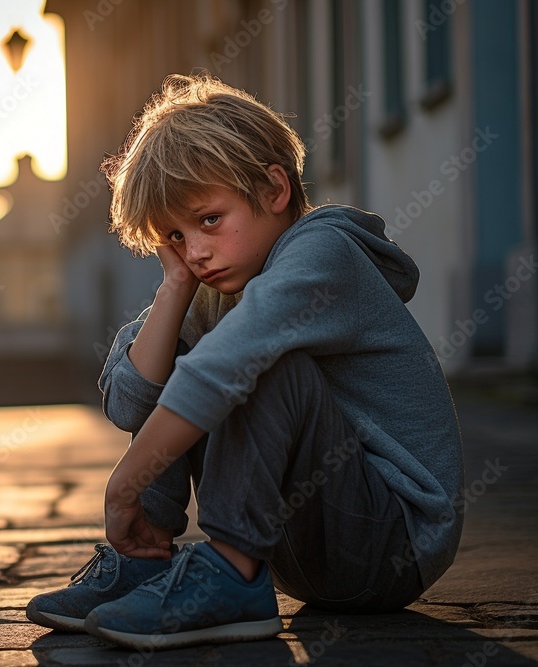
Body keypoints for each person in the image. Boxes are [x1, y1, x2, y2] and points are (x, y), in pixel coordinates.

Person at [26, 73, 464, 651]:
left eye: (209, 220)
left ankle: (232, 572)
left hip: (388, 543)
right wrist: (175, 286)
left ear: (275, 191)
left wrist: (124, 486)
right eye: (175, 236)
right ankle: (150, 557)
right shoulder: (210, 285)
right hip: (302, 550)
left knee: (249, 359)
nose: (197, 250)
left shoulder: (323, 255)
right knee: (195, 357)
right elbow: (132, 398)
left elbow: (225, 366)